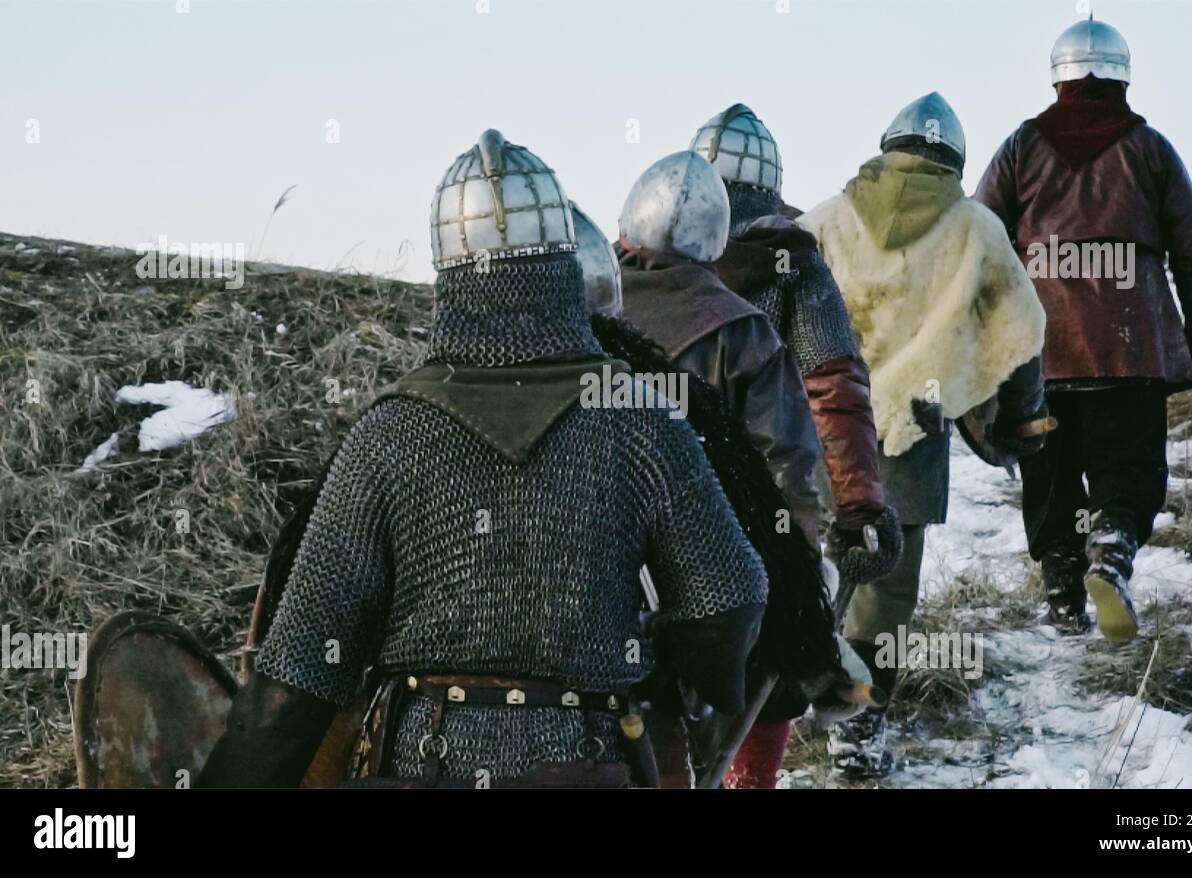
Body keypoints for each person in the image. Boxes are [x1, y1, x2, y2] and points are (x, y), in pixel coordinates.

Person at [198, 130, 769, 788]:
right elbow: (729, 596)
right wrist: (696, 685)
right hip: (588, 755)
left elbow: (298, 672)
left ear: (451, 278)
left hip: (423, 757)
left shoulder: (391, 433)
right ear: (563, 265)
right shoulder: (639, 418)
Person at [614, 151, 883, 788]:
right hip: (718, 567)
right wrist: (803, 577)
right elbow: (790, 466)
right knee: (768, 661)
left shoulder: (586, 307)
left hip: (597, 562)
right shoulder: (745, 329)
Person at [800, 93, 1048, 775]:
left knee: (806, 563)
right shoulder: (978, 228)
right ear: (954, 158)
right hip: (913, 431)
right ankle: (858, 721)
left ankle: (784, 693)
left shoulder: (822, 221)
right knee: (885, 587)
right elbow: (1022, 330)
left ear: (887, 147)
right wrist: (1023, 421)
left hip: (819, 426)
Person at [974, 17, 1192, 642]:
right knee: (1129, 470)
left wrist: (978, 349)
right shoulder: (1151, 149)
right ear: (1122, 73)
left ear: (1058, 76)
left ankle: (1063, 596)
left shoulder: (1019, 148)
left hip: (1040, 351)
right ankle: (1109, 550)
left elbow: (978, 244)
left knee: (1051, 479)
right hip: (1128, 349)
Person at [691, 104, 899, 587]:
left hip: (656, 484)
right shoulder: (794, 260)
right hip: (770, 485)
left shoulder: (648, 260)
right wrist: (858, 509)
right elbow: (832, 388)